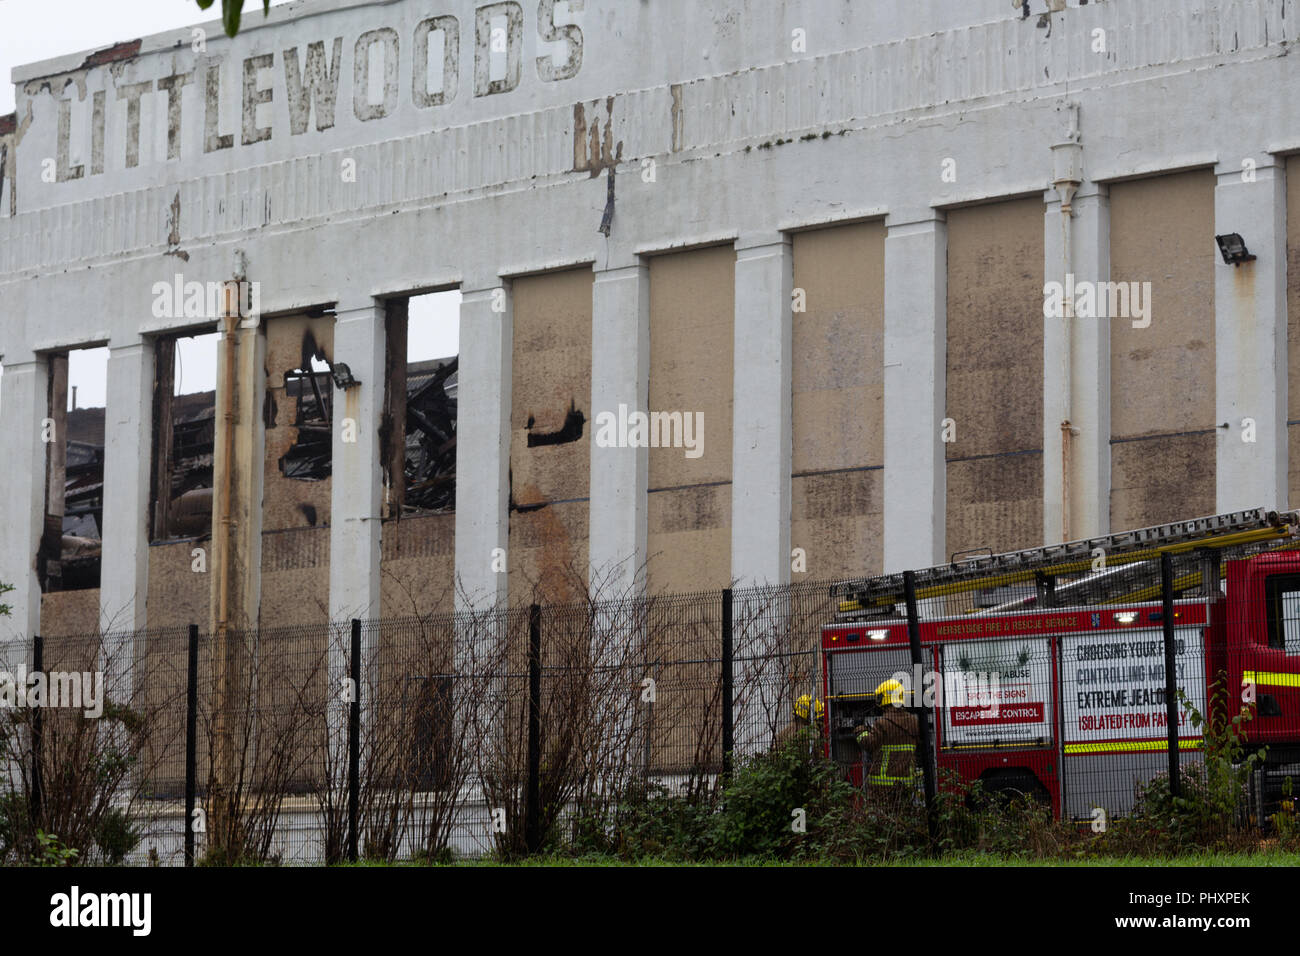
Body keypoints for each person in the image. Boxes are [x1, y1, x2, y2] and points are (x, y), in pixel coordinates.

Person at [855, 679, 919, 793]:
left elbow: (869, 744)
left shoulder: (882, 723)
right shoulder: (913, 721)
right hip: (906, 785)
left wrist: (860, 728)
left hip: (883, 787)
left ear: (883, 699)